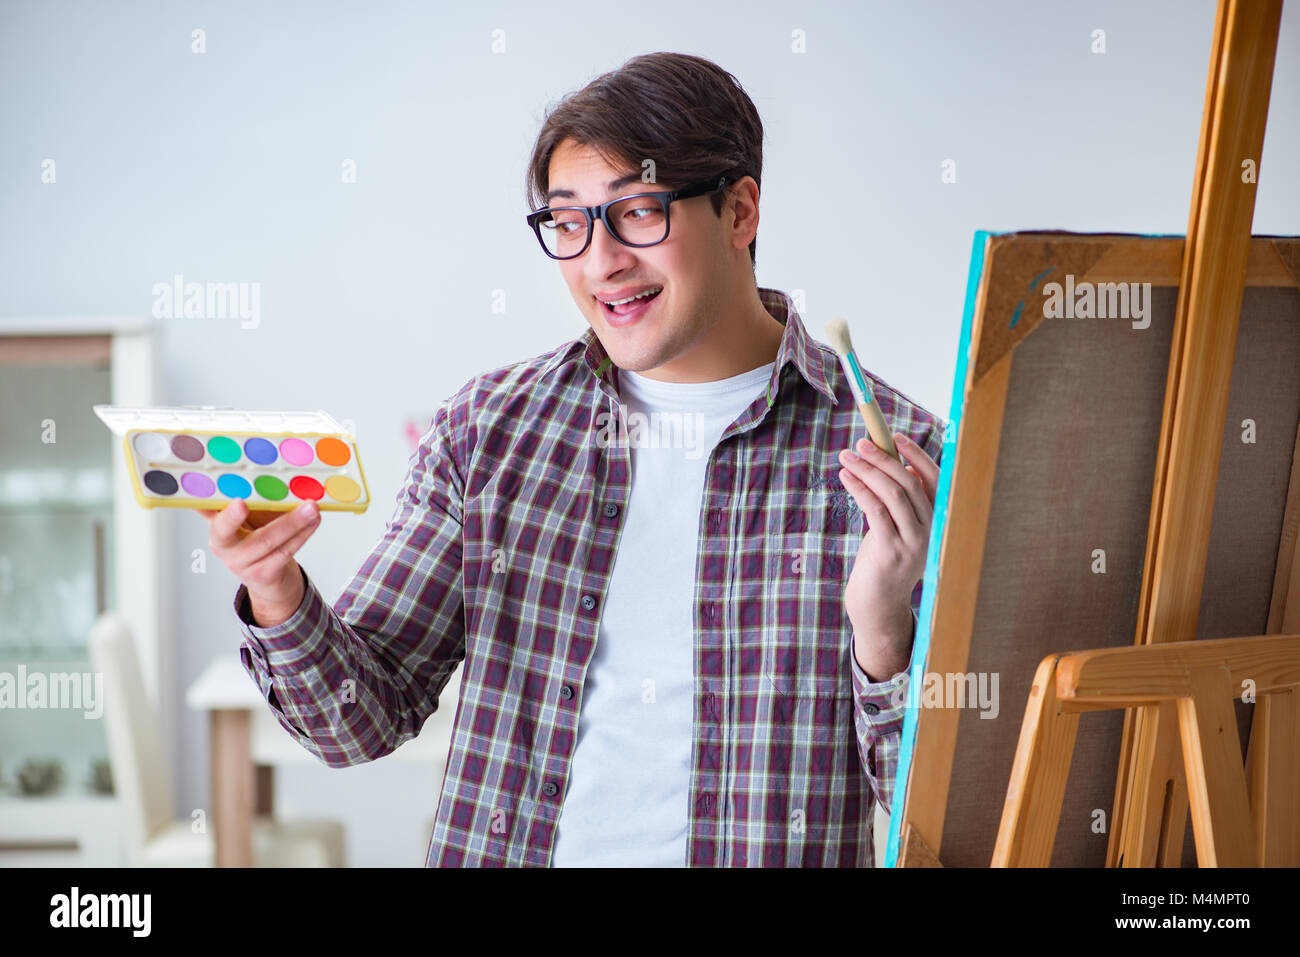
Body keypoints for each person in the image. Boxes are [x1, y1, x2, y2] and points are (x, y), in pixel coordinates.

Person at [201, 51, 945, 867]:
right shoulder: (490, 431)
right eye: (568, 222)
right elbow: (360, 722)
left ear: (740, 211)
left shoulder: (898, 462)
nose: (600, 261)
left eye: (636, 212)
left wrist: (884, 631)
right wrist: (275, 590)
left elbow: (944, 816)